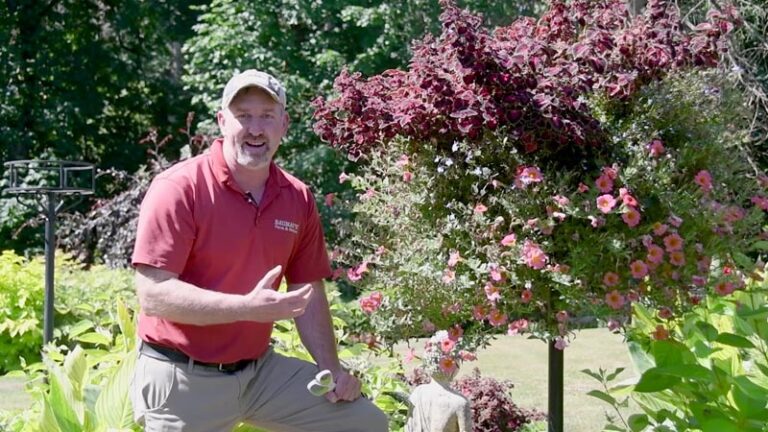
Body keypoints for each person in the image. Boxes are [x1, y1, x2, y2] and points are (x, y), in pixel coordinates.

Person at [130, 69, 389, 432]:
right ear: (222, 122)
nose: (255, 128)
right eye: (243, 116)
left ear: (283, 125)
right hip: (183, 376)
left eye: (267, 116)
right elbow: (153, 295)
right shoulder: (179, 188)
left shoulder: (296, 197)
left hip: (259, 374)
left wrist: (330, 366)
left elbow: (308, 291)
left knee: (362, 423)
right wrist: (245, 308)